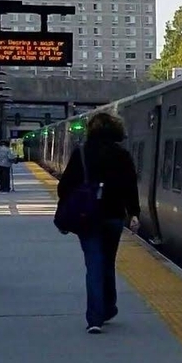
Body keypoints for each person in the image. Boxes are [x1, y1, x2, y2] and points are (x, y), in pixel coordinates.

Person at [56, 112, 140, 333]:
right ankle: (108, 306)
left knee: (93, 264)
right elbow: (130, 186)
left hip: (87, 217)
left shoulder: (81, 154)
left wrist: (67, 208)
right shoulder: (122, 155)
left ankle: (95, 318)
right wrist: (134, 213)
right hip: (113, 216)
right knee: (108, 262)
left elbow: (64, 187)